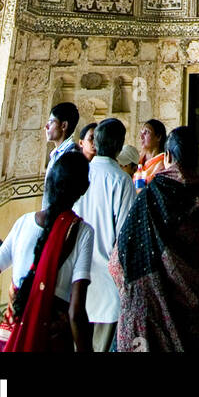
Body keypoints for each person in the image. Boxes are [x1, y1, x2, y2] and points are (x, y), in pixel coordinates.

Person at [109, 125, 199, 352]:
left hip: (148, 313)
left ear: (167, 156)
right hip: (191, 321)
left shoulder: (151, 194)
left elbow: (120, 257)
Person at [0, 149, 93, 353]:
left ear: (49, 185)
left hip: (8, 340)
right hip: (50, 342)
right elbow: (75, 313)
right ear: (83, 189)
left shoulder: (23, 223)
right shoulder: (81, 231)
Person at [73, 117, 134, 352]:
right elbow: (124, 238)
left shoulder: (78, 174)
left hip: (77, 283)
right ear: (120, 146)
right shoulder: (121, 180)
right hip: (108, 287)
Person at [42, 102, 79, 208]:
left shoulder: (71, 157)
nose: (46, 127)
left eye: (51, 122)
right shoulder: (56, 154)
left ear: (64, 125)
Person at [132, 118, 166, 191]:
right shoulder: (137, 159)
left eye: (146, 132)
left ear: (158, 137)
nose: (141, 137)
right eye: (141, 133)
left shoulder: (164, 163)